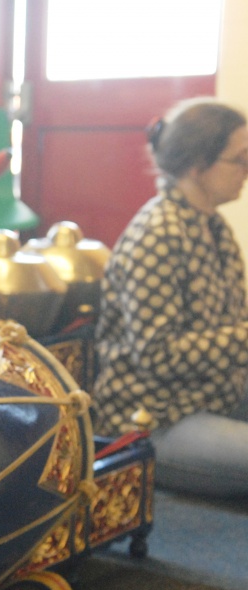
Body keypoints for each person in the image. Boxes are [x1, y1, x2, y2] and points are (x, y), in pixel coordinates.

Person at [93, 98, 248, 498]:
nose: (246, 170)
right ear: (197, 165)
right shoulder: (158, 235)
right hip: (155, 418)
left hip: (215, 395)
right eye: (240, 159)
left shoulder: (212, 225)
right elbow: (157, 356)